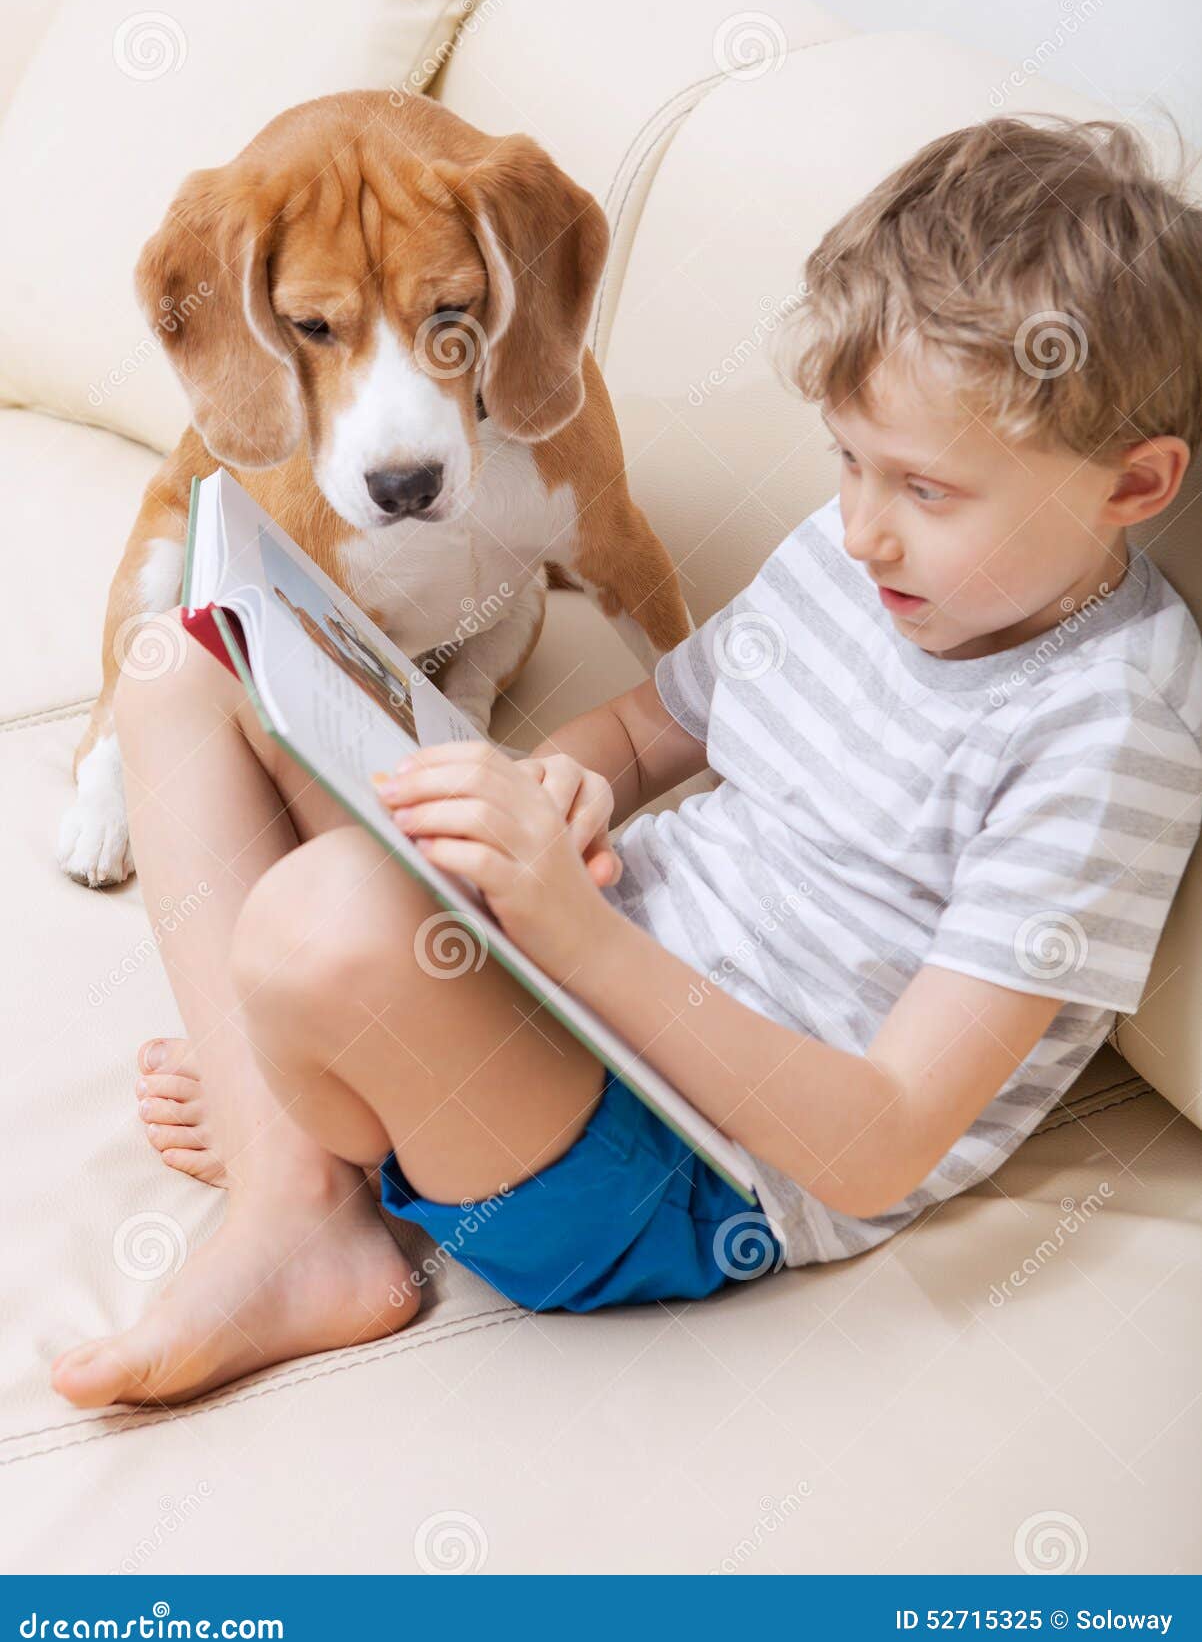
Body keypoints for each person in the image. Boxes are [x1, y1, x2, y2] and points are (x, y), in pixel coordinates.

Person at [52, 115, 1202, 1409]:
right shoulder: (857, 557)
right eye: (844, 460)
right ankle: (308, 1168)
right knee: (180, 668)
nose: (861, 530)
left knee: (320, 930)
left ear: (1133, 482)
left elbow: (877, 1144)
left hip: (682, 1165)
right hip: (579, 968)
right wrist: (564, 784)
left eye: (926, 491)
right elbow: (649, 726)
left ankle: (303, 1155)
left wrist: (570, 939)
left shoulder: (1105, 733)